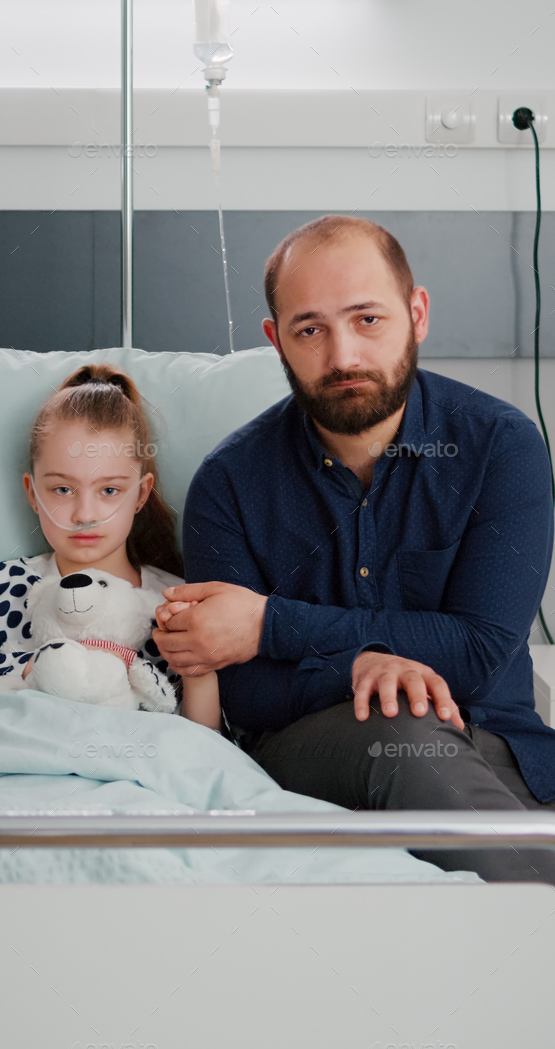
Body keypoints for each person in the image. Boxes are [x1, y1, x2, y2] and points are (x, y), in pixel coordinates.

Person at [153, 214, 555, 883]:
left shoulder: (499, 447)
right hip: (322, 744)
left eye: (367, 320)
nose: (343, 357)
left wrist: (272, 624)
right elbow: (247, 693)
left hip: (500, 739)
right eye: (310, 329)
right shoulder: (229, 484)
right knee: (400, 738)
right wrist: (366, 665)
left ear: (416, 313)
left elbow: (479, 653)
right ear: (276, 340)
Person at [0, 363, 221, 728]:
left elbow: (205, 746)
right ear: (32, 493)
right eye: (62, 489)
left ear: (141, 494)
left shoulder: (171, 605)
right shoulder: (0, 588)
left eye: (109, 491)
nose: (85, 514)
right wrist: (38, 668)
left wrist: (199, 671)